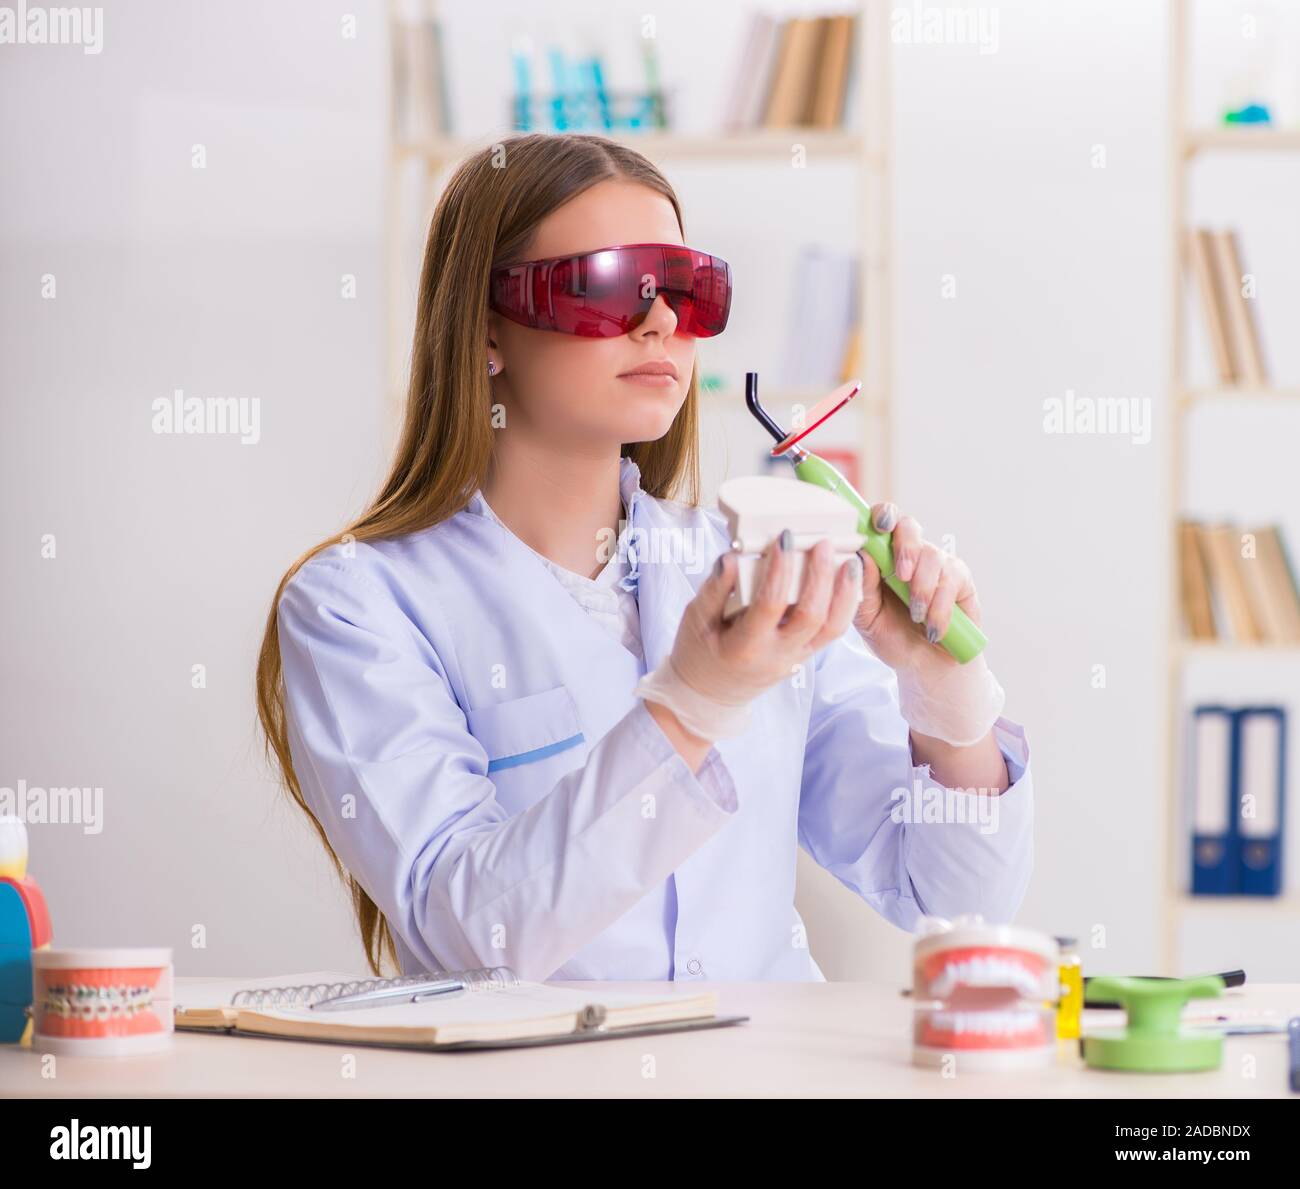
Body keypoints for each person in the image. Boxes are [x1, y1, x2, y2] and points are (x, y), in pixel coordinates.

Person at [255, 133, 1032, 982]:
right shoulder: (355, 604)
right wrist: (694, 702)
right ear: (486, 330)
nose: (661, 321)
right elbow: (472, 936)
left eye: (688, 291)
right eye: (609, 285)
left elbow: (953, 900)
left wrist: (946, 700)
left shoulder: (754, 567)